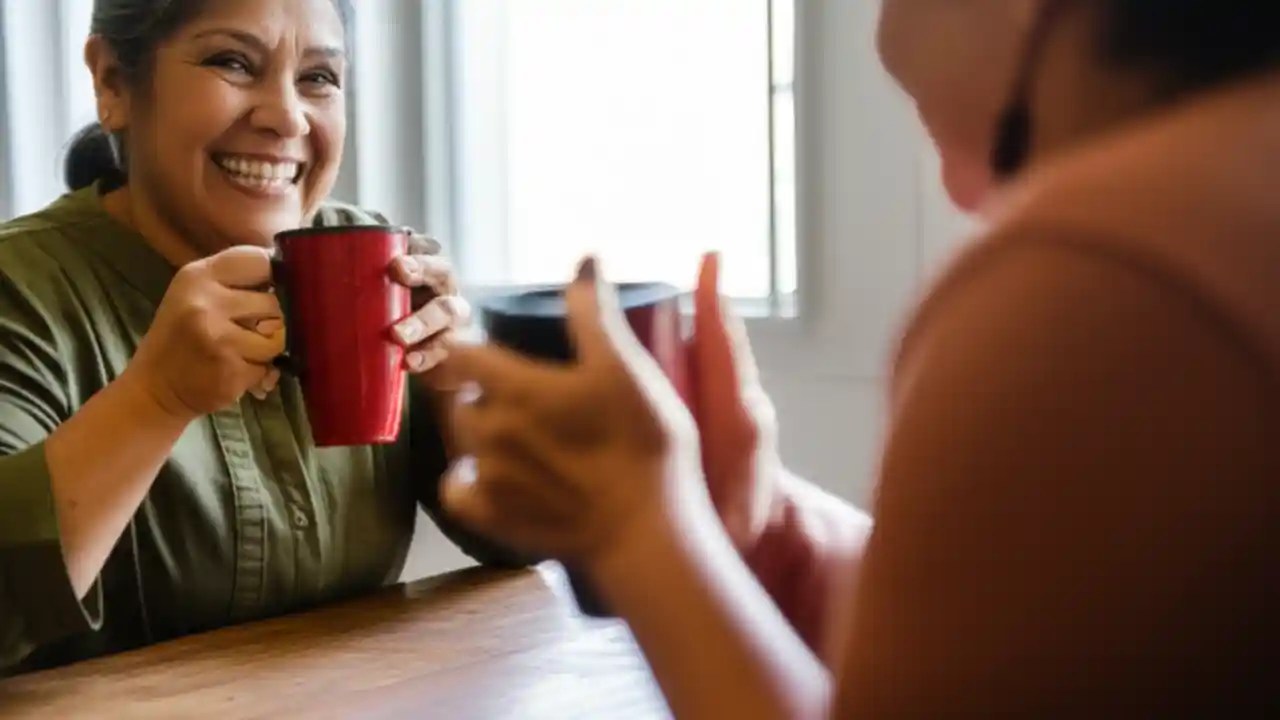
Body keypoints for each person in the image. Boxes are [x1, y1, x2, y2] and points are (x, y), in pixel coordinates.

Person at [441, 0, 1280, 716]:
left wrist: (638, 526)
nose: (970, 201)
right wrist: (770, 537)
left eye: (1009, 147)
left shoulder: (1109, 268)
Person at [0, 0, 517, 675]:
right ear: (113, 83)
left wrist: (459, 391)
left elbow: (529, 540)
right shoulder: (21, 288)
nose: (287, 117)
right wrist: (156, 400)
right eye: (232, 62)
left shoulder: (377, 264)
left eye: (318, 79)